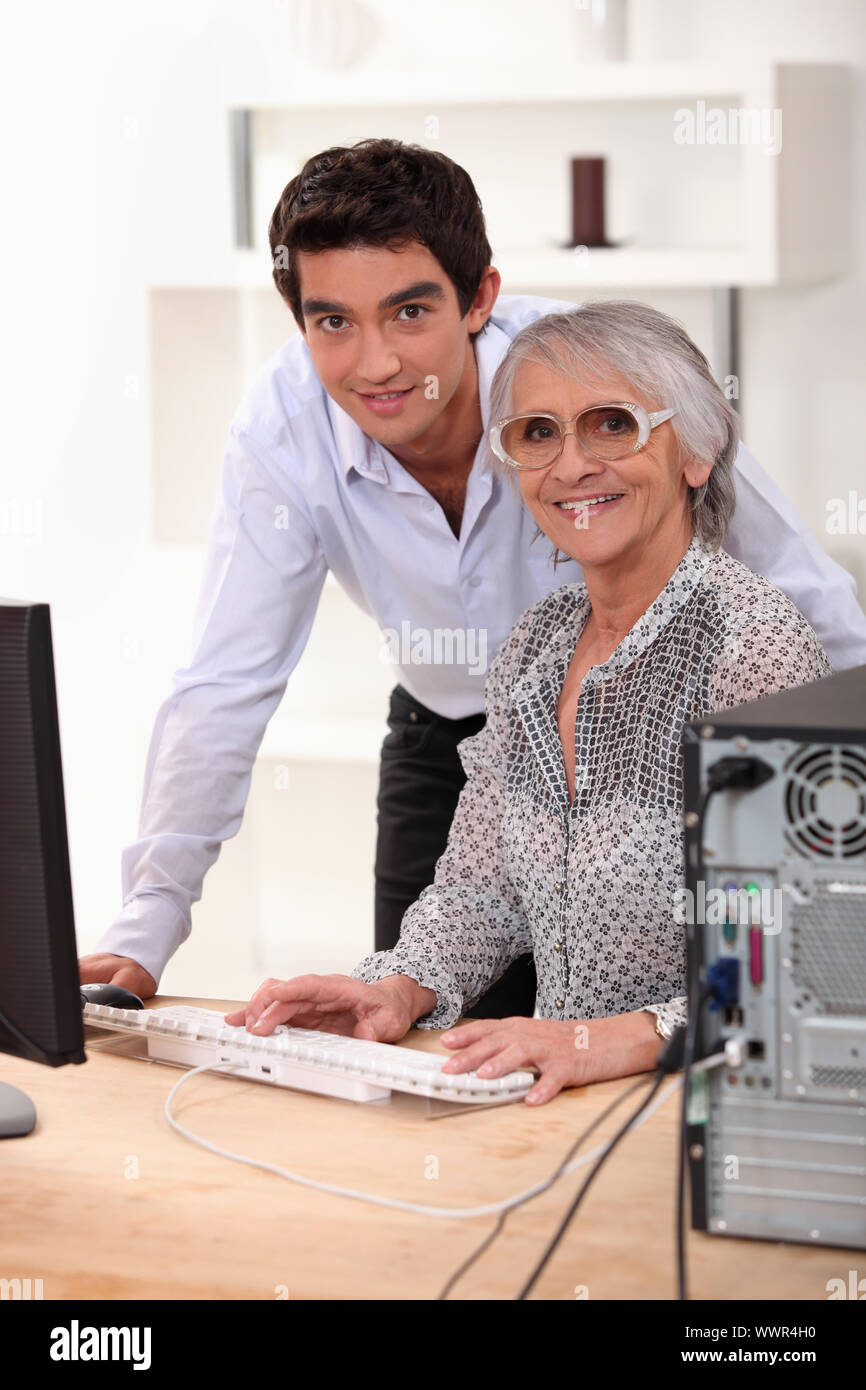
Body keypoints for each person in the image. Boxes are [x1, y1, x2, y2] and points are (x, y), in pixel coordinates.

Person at [80, 140, 865, 1015]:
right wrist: (145, 925)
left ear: (479, 298)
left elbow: (802, 591)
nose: (376, 363)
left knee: (680, 997)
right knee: (414, 1029)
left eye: (409, 312)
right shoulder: (282, 430)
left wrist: (842, 796)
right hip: (460, 726)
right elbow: (225, 682)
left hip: (660, 713)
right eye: (333, 321)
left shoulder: (592, 378)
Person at [225, 302, 831, 1104]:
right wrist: (398, 987)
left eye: (612, 424)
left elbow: (790, 958)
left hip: (708, 1110)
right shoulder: (534, 649)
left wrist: (601, 1042)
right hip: (557, 1107)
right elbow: (484, 890)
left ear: (698, 449)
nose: (571, 464)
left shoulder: (752, 649)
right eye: (537, 433)